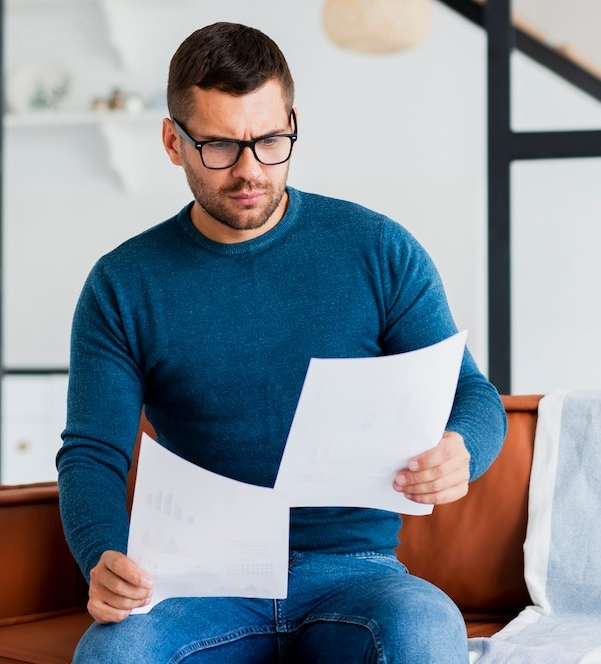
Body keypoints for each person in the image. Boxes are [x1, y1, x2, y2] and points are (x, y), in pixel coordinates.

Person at [58, 21, 507, 663]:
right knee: (110, 656)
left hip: (354, 571)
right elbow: (92, 451)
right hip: (196, 579)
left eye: (270, 140)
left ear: (291, 122)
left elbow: (472, 393)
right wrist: (102, 555)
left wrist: (463, 448)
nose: (249, 171)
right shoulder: (123, 284)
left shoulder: (377, 248)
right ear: (172, 141)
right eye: (218, 146)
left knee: (426, 630)